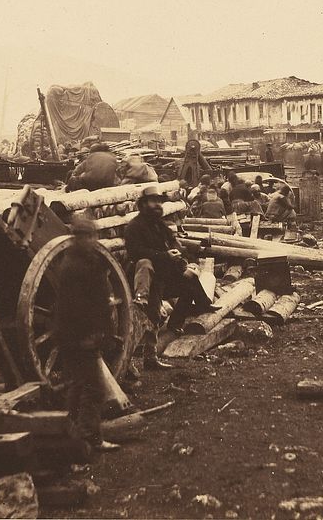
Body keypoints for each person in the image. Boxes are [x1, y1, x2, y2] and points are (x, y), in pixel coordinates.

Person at [125, 185, 213, 369]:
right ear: (143, 204)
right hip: (146, 278)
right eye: (153, 201)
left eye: (159, 201)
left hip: (164, 274)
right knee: (153, 314)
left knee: (189, 283)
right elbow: (136, 253)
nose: (157, 205)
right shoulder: (134, 227)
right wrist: (165, 256)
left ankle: (175, 325)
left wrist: (183, 263)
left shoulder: (160, 225)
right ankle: (149, 358)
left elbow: (175, 246)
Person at [54, 218, 120, 452]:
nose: (90, 240)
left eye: (92, 236)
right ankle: (90, 437)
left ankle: (69, 435)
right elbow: (75, 308)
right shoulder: (75, 267)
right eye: (85, 236)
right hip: (81, 337)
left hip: (77, 336)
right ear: (77, 238)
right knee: (94, 388)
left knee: (77, 386)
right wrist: (90, 334)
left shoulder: (81, 261)